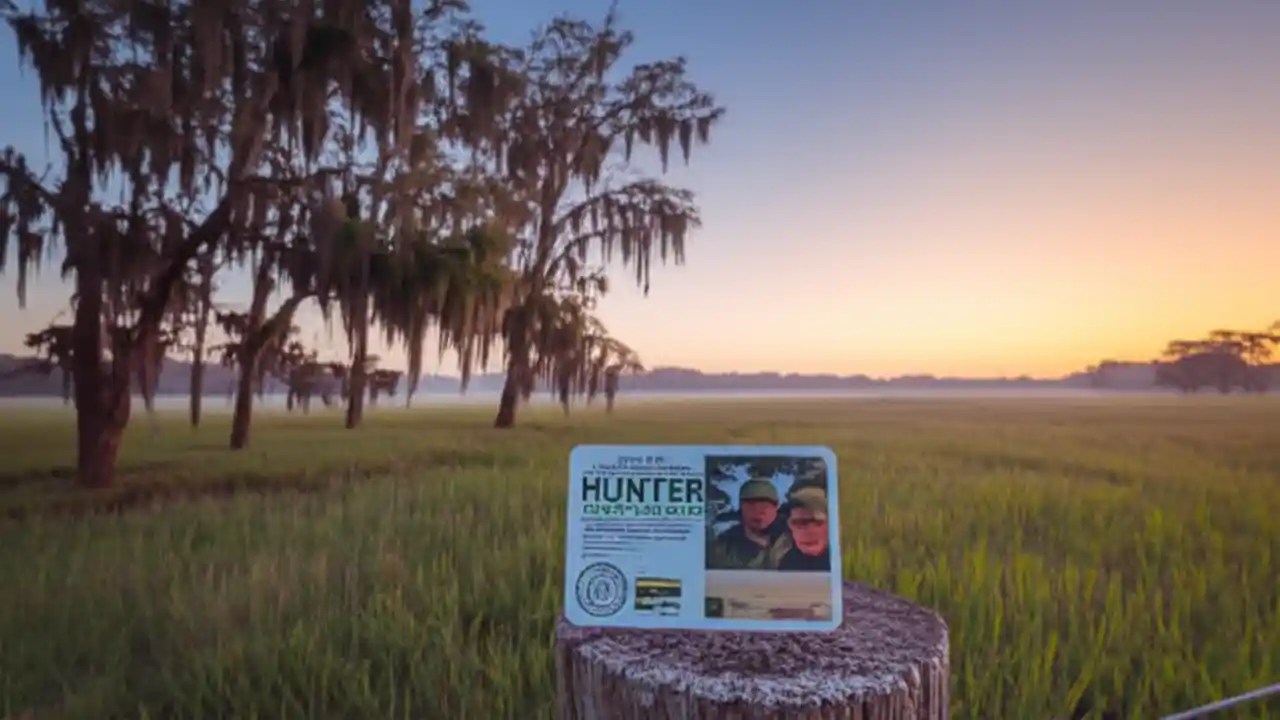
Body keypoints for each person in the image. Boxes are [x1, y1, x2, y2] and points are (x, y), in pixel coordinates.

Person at [707, 478, 789, 569]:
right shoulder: (723, 547)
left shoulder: (797, 540)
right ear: (741, 507)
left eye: (764, 506)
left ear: (776, 507)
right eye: (751, 506)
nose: (758, 512)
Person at [778, 486, 831, 571]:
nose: (807, 531)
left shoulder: (844, 558)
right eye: (797, 523)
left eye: (817, 522)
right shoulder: (786, 561)